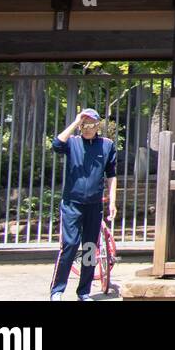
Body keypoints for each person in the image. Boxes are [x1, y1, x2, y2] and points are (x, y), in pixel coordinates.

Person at [49, 109, 117, 301]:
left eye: (91, 125)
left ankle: (83, 292)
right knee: (69, 245)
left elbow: (111, 175)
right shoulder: (72, 142)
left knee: (89, 247)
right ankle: (57, 290)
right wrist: (75, 121)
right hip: (72, 203)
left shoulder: (107, 145)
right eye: (84, 125)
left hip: (94, 205)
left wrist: (112, 201)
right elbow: (56, 144)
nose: (87, 129)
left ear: (98, 126)